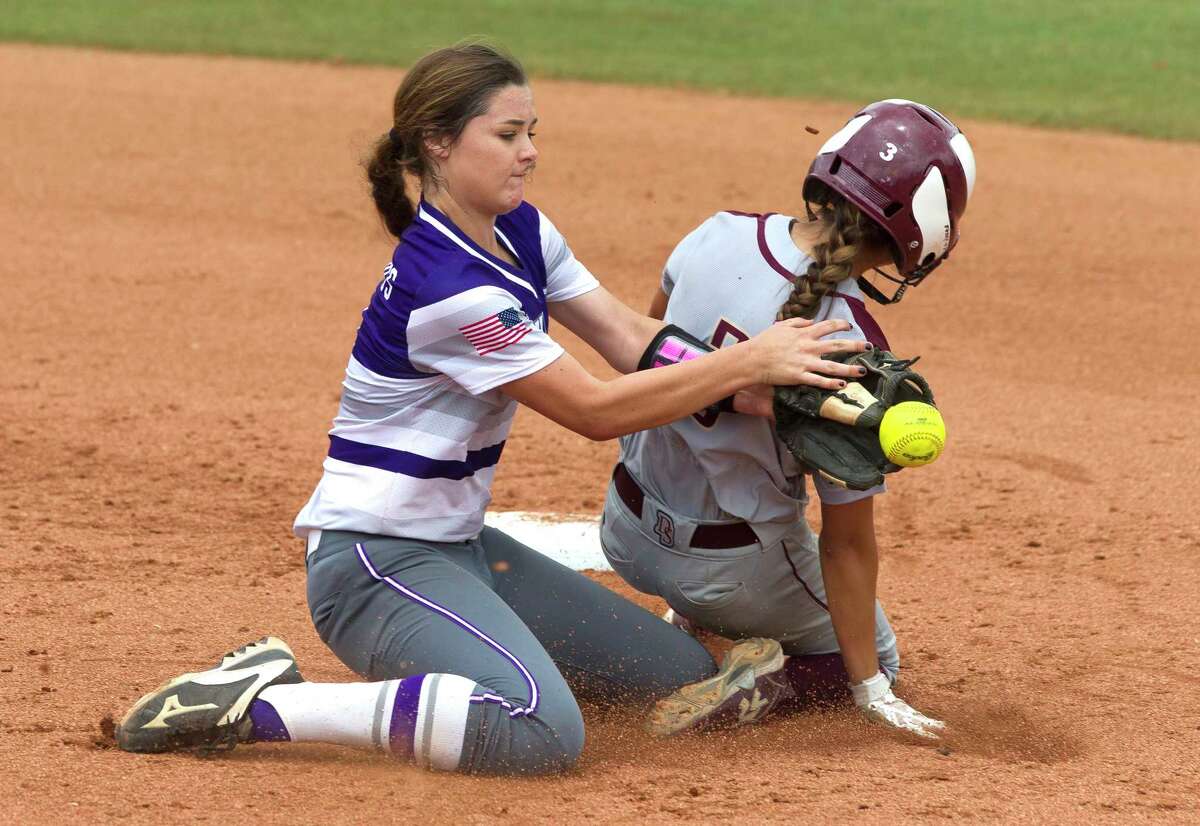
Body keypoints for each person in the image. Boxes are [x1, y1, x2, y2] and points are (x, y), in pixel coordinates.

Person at [114, 42, 871, 774]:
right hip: (372, 562)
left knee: (672, 673)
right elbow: (595, 410)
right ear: (439, 144)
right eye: (507, 134)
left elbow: (628, 335)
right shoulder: (451, 291)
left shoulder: (520, 230)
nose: (529, 151)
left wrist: (758, 389)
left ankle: (460, 662)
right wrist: (747, 358)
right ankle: (273, 705)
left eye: (531, 132)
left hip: (463, 551)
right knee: (538, 731)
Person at [599, 100, 976, 739]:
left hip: (624, 533)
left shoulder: (716, 231)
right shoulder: (850, 344)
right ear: (922, 235)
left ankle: (687, 621)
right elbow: (847, 543)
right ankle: (765, 681)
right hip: (729, 579)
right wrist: (868, 686)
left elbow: (650, 354)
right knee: (876, 655)